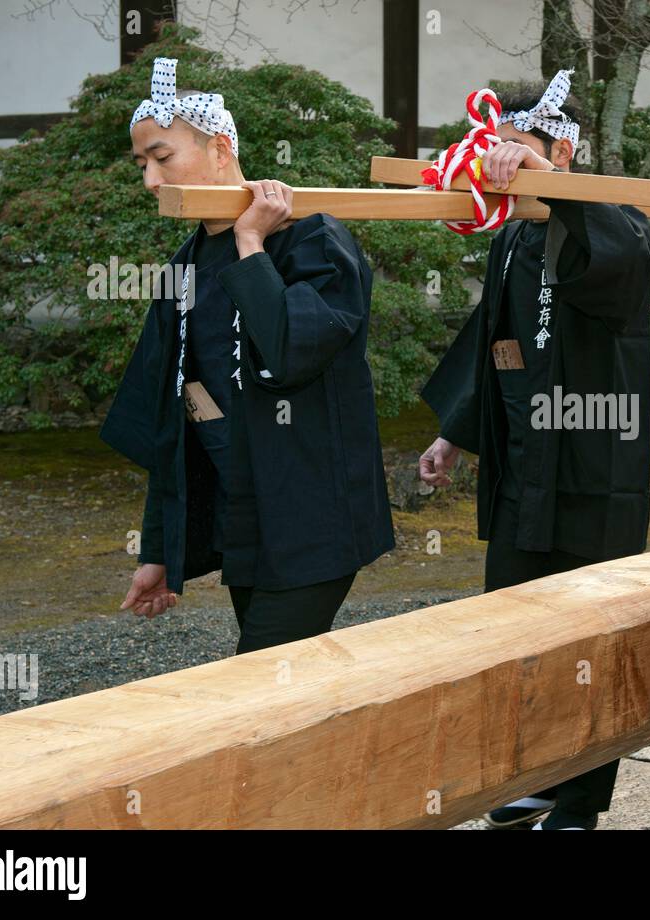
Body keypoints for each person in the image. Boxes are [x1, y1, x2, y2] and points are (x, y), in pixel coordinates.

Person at [417, 71, 650, 831]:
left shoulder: (616, 214)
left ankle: (581, 799)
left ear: (565, 149)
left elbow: (621, 271)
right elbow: (495, 341)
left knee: (592, 636)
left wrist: (554, 182)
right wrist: (456, 430)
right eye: (495, 148)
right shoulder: (515, 233)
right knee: (518, 631)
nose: (499, 164)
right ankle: (534, 773)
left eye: (515, 149)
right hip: (524, 464)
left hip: (592, 465)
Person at [103, 57, 394, 653]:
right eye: (142, 166)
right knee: (287, 686)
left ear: (221, 147)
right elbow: (171, 421)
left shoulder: (314, 238)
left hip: (313, 512)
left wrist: (251, 242)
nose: (151, 182)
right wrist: (162, 549)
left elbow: (291, 350)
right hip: (245, 514)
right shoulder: (182, 266)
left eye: (162, 158)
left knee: (261, 679)